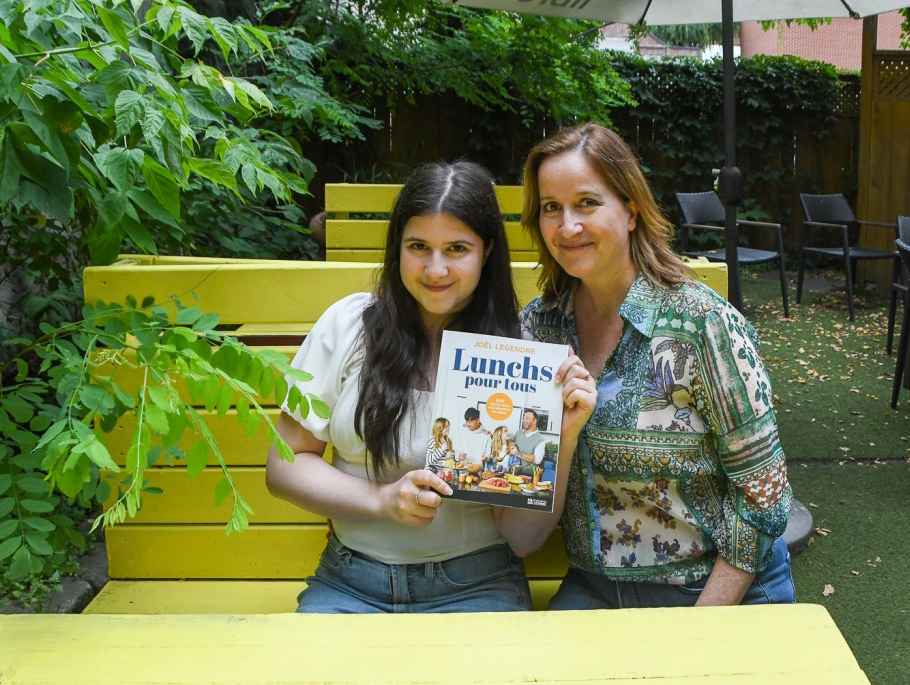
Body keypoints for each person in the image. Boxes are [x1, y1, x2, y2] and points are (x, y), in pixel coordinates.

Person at [265, 160, 595, 614]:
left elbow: (522, 539)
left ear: (487, 252)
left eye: (457, 248)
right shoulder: (348, 324)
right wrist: (380, 500)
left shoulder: (520, 357)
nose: (435, 268)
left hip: (476, 586)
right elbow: (285, 465)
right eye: (418, 246)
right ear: (397, 248)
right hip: (350, 581)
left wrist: (567, 434)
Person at [518, 122, 794, 610]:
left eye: (587, 202)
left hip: (717, 588)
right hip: (595, 588)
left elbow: (765, 493)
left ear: (630, 210)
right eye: (550, 208)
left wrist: (697, 632)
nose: (567, 226)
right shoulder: (538, 330)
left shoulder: (703, 325)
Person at [512, 408, 546, 479]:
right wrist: (490, 434)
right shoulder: (519, 432)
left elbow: (537, 459)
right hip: (513, 472)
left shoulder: (540, 440)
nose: (524, 421)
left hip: (528, 476)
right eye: (523, 418)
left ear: (534, 421)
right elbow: (506, 439)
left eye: (527, 418)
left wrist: (518, 454)